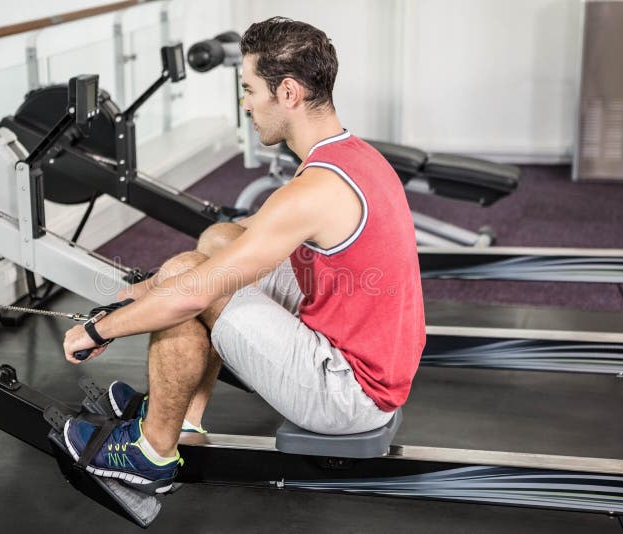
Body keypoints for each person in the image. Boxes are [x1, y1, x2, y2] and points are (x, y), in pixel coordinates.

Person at [61, 16, 425, 494]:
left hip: (349, 394)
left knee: (195, 285)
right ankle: (183, 421)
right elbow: (237, 239)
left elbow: (196, 293)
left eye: (250, 90)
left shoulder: (314, 190)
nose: (245, 104)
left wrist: (96, 331)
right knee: (217, 241)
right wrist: (139, 293)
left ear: (288, 93)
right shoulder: (353, 155)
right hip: (367, 361)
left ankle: (150, 453)